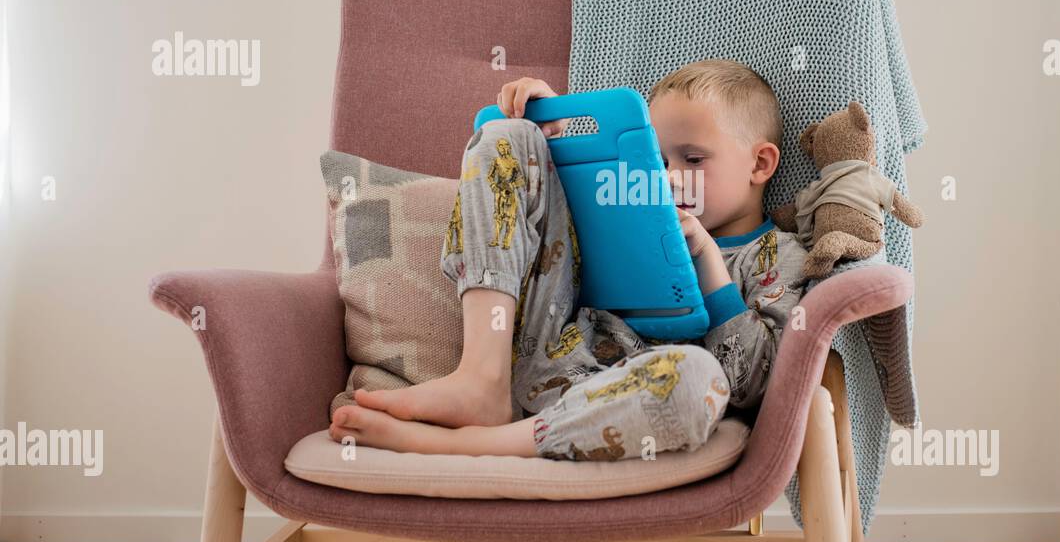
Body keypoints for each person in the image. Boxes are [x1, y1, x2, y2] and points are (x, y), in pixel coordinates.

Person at [328, 58, 810, 461]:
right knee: (506, 136)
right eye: (657, 161)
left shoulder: (780, 255)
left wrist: (708, 259)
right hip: (547, 344)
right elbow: (546, 231)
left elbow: (752, 386)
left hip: (615, 401)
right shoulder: (630, 197)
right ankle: (480, 379)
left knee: (696, 383)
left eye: (693, 159)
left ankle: (481, 445)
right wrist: (547, 133)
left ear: (760, 164)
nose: (668, 178)